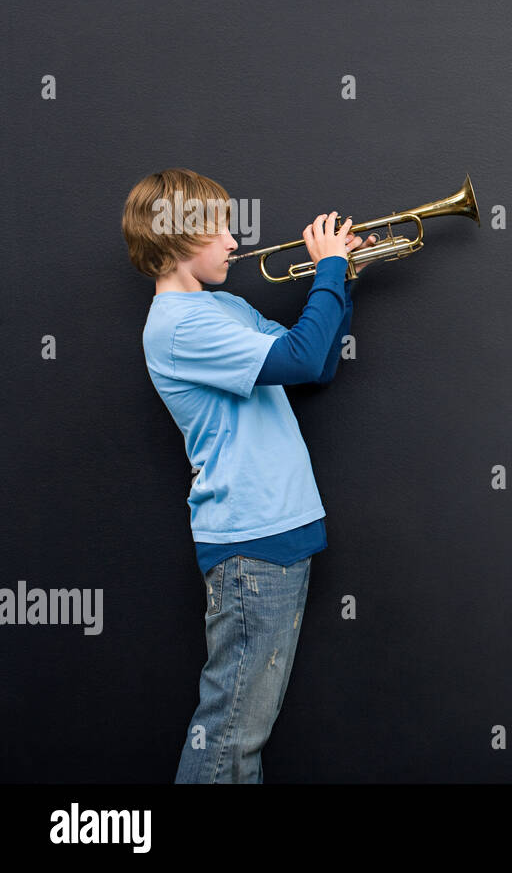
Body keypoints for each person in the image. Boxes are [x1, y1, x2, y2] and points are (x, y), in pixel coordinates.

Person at [122, 168, 378, 783]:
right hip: (250, 542)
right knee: (233, 735)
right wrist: (329, 271)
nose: (235, 243)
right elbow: (302, 354)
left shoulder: (222, 307)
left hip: (275, 534)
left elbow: (311, 367)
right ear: (180, 237)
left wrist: (344, 282)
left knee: (243, 737)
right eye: (220, 230)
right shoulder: (180, 325)